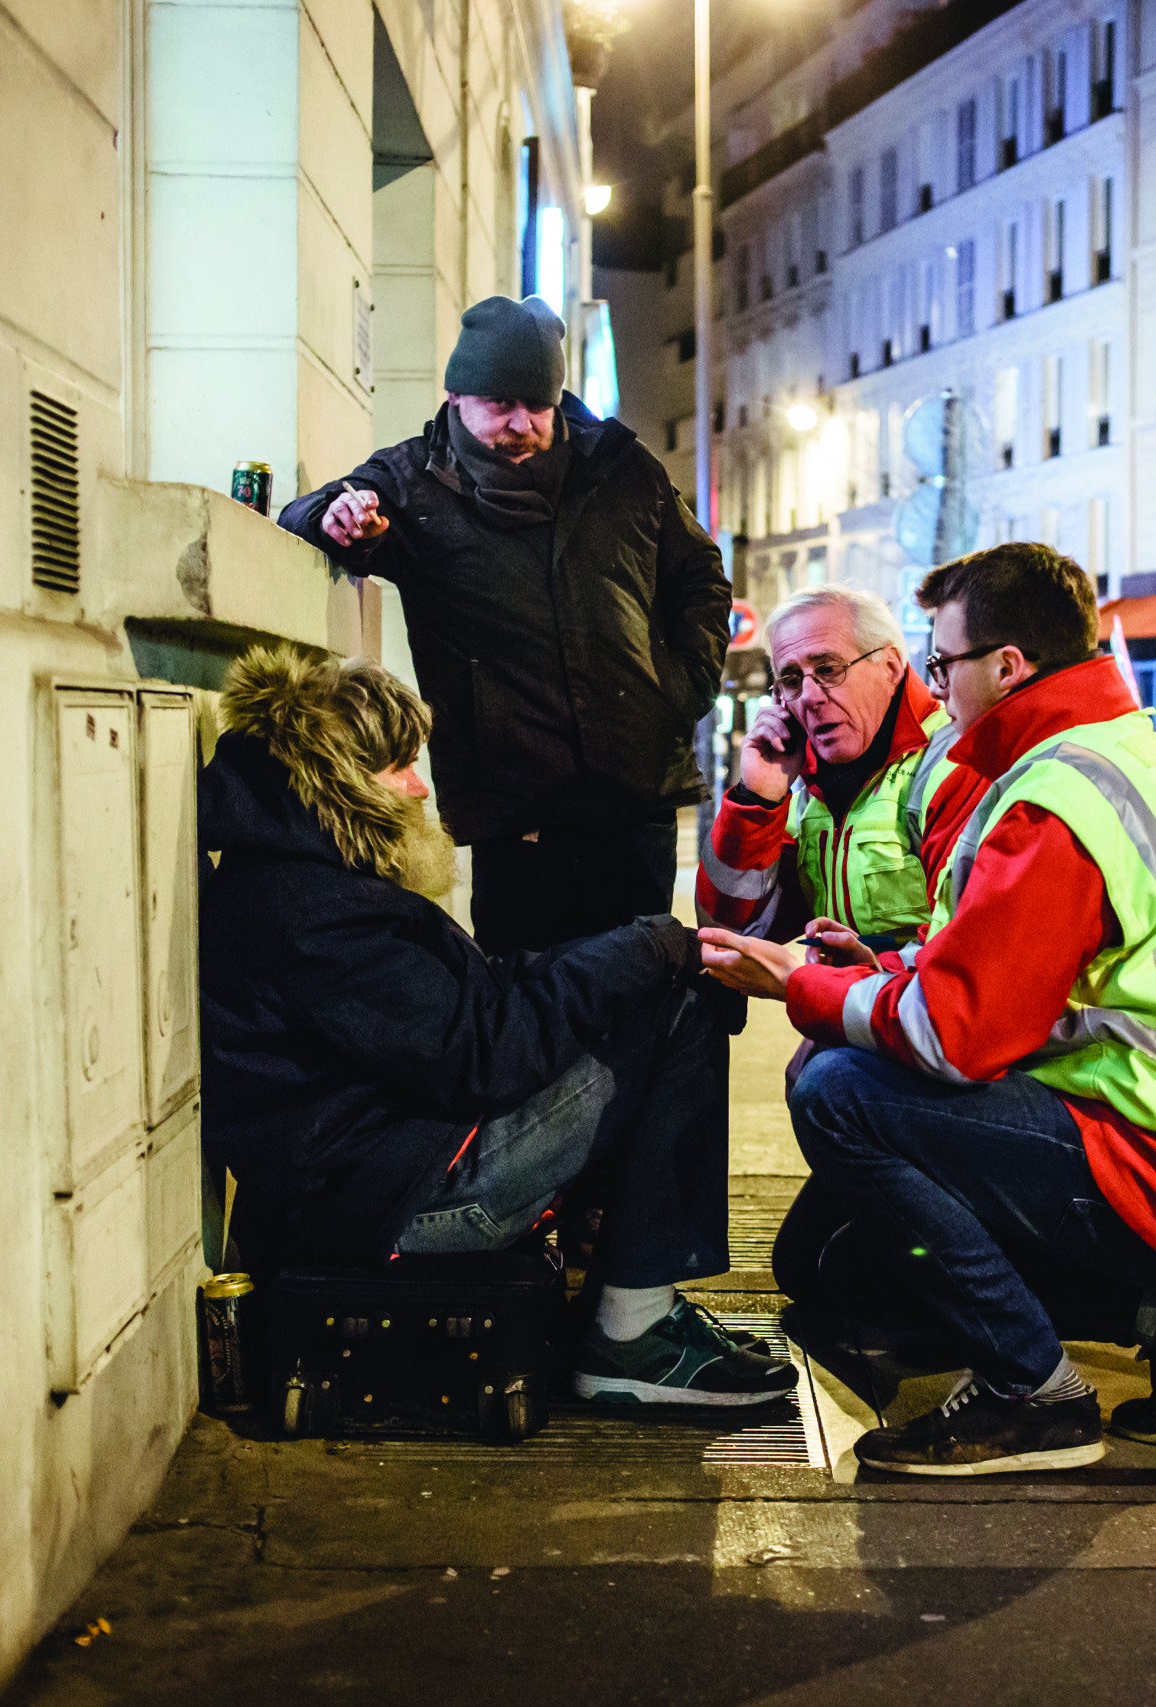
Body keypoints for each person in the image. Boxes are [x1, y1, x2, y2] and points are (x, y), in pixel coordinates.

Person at [700, 543, 1156, 1474]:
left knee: (836, 1092)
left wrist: (802, 985)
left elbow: (957, 1032)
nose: (942, 691)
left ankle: (1032, 1391)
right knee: (839, 1265)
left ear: (1006, 667)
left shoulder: (1047, 794)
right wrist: (881, 961)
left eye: (945, 664)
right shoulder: (1116, 756)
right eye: (793, 677)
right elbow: (994, 967)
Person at [198, 647, 793, 1408]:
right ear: (336, 778)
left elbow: (482, 995)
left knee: (665, 985)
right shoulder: (307, 909)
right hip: (392, 1203)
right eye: (396, 767)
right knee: (677, 1005)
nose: (418, 788)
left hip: (386, 1167)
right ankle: (631, 1333)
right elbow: (486, 1052)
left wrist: (645, 951)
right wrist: (649, 950)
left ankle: (639, 1304)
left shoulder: (313, 876)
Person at [278, 295, 732, 957]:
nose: (522, 423)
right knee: (525, 1015)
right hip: (515, 819)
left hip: (633, 804)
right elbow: (314, 512)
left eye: (538, 404)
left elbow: (699, 575)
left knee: (640, 999)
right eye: (501, 404)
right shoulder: (413, 481)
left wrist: (684, 689)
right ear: (458, 395)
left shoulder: (620, 466)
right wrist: (338, 518)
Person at [696, 583, 985, 953]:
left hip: (898, 1009)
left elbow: (967, 958)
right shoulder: (806, 789)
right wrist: (757, 800)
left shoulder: (954, 763)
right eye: (791, 679)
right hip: (848, 1008)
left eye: (829, 669)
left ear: (892, 667)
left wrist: (826, 985)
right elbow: (728, 934)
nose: (811, 697)